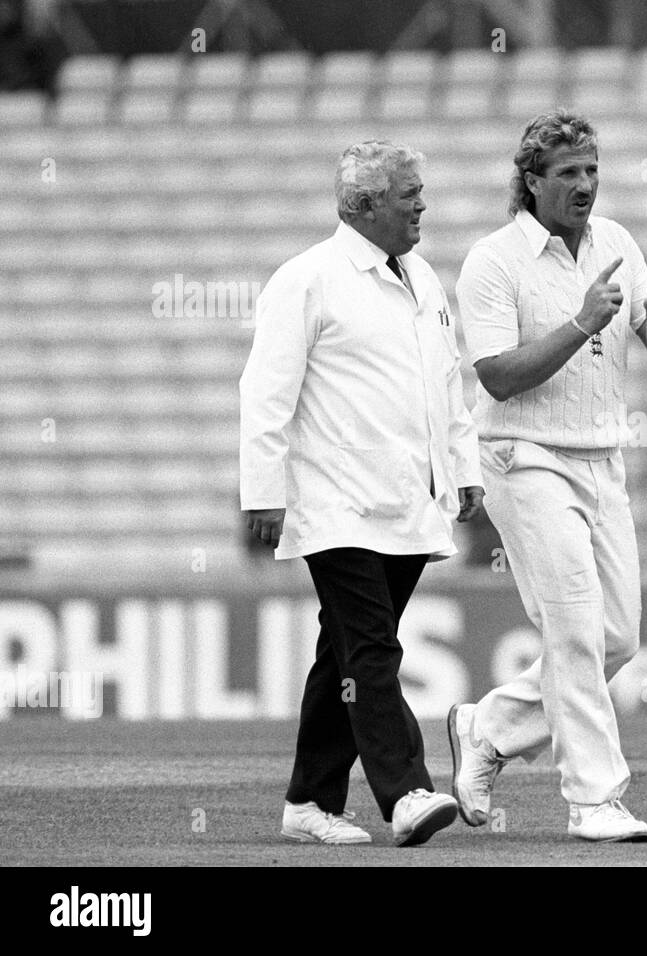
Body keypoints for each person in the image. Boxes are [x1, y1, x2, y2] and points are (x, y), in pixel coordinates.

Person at [447, 110, 647, 842]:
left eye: (591, 170)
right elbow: (495, 377)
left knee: (617, 636)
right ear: (531, 182)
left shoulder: (616, 242)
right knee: (577, 627)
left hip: (601, 456)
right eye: (568, 173)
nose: (585, 184)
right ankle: (594, 799)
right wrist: (583, 322)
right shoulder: (494, 261)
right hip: (524, 457)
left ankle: (487, 726)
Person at [240, 140, 484, 847]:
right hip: (335, 505)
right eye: (409, 193)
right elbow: (265, 392)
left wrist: (463, 469)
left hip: (407, 503)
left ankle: (308, 801)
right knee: (372, 649)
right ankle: (407, 791)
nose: (422, 204)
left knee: (342, 654)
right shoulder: (307, 280)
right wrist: (262, 490)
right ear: (367, 204)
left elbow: (447, 385)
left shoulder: (424, 280)